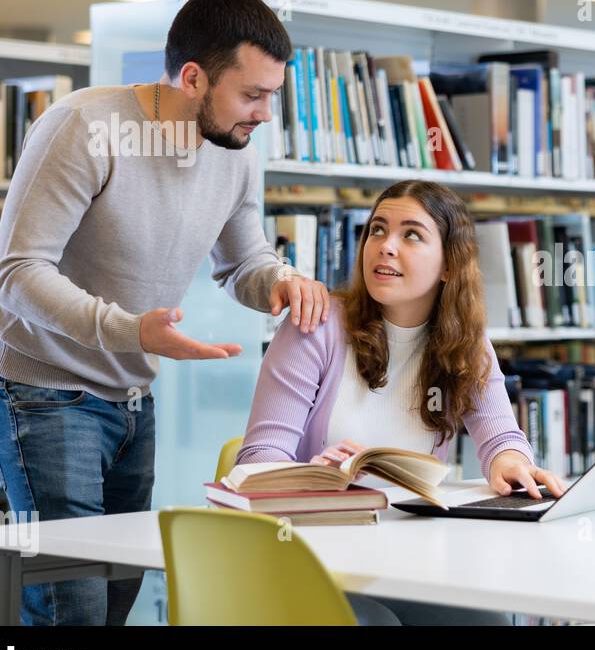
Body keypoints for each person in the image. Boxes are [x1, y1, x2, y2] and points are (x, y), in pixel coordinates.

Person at [0, 0, 331, 626]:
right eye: (251, 95)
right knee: (71, 606)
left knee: (117, 597)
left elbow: (242, 262)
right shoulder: (83, 128)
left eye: (271, 96)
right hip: (42, 388)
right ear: (193, 78)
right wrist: (130, 329)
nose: (264, 115)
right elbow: (16, 274)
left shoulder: (235, 154)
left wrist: (279, 281)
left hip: (132, 398)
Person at [238, 179, 564, 625]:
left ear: (449, 264)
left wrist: (510, 462)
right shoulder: (314, 327)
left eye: (411, 234)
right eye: (377, 229)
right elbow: (258, 458)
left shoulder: (465, 343)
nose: (386, 246)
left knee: (485, 620)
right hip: (304, 553)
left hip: (406, 558)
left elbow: (500, 435)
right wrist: (314, 477)